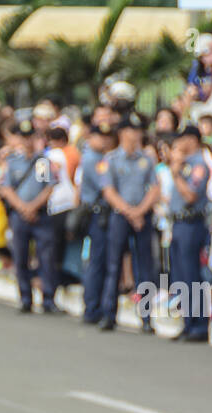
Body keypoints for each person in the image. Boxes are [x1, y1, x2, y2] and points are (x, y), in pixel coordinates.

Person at [99, 114, 160, 332]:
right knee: (113, 264)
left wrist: (140, 211)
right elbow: (108, 190)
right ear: (122, 133)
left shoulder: (146, 160)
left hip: (142, 216)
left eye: (138, 131)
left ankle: (145, 317)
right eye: (131, 131)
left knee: (145, 267)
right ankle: (109, 314)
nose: (135, 135)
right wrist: (129, 212)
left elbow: (154, 188)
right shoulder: (111, 159)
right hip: (121, 215)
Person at [0, 119, 59, 314]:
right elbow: (6, 188)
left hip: (40, 214)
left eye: (30, 137)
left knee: (46, 257)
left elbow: (48, 188)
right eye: (23, 138)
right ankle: (25, 297)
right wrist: (23, 207)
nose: (27, 141)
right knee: (20, 256)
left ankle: (48, 298)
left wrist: (33, 207)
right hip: (19, 214)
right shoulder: (13, 161)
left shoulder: (41, 162)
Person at [167, 124, 211, 342]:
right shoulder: (185, 163)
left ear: (191, 139)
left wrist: (175, 174)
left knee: (192, 275)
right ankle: (187, 321)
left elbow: (191, 196)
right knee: (181, 276)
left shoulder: (198, 165)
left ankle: (199, 324)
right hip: (178, 223)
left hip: (192, 223)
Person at [77, 121, 118, 326]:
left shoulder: (103, 158)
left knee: (103, 261)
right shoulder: (93, 159)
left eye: (106, 136)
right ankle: (92, 308)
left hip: (103, 213)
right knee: (97, 261)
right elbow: (106, 186)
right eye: (99, 136)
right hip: (98, 213)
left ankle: (96, 306)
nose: (104, 140)